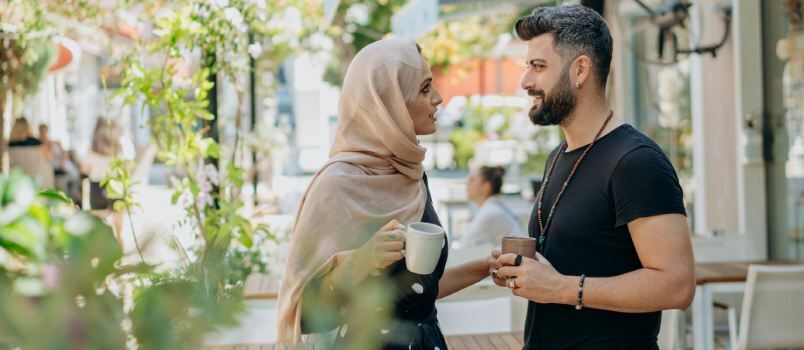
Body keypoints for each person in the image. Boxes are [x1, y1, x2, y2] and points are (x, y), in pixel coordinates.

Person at [489, 5, 696, 349]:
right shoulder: (558, 156)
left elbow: (677, 284)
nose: (526, 81)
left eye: (538, 67)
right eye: (528, 67)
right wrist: (525, 272)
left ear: (580, 70)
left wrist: (560, 288)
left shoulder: (636, 162)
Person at [277, 38, 492, 349]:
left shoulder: (412, 176)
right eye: (425, 88)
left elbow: (416, 292)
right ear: (388, 102)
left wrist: (485, 267)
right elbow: (307, 314)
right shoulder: (337, 184)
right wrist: (361, 261)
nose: (439, 98)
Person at [459, 165, 525, 248]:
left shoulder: (490, 212)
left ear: (486, 186)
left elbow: (464, 247)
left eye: (472, 180)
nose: (467, 184)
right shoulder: (494, 208)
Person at [81, 118, 124, 210]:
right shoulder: (119, 151)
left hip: (97, 187)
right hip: (116, 184)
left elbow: (84, 169)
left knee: (98, 221)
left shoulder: (91, 152)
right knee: (117, 218)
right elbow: (125, 169)